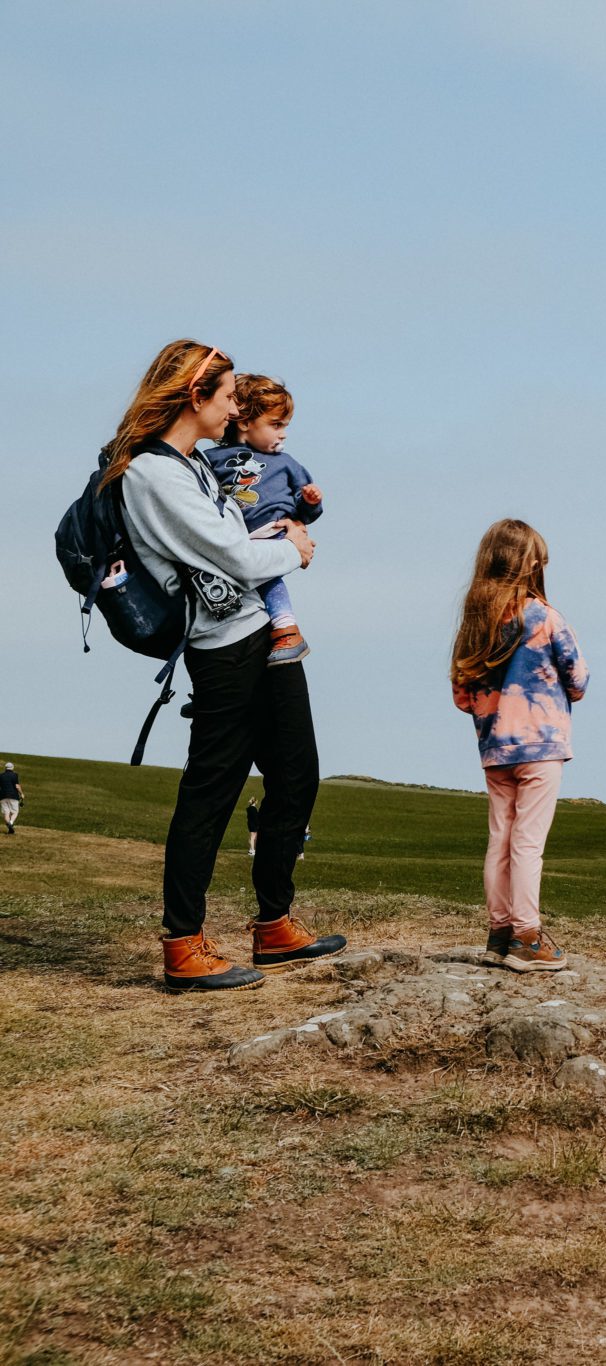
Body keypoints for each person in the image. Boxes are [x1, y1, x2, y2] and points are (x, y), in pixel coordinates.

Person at [105, 340, 346, 991]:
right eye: (231, 395)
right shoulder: (152, 476)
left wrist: (275, 536)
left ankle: (274, 923)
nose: (238, 406)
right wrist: (294, 549)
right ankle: (183, 943)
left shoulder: (193, 466)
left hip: (264, 634)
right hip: (222, 651)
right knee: (210, 795)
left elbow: (235, 543)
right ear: (197, 397)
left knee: (298, 774)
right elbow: (233, 561)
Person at [450, 519, 589, 972]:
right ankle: (528, 939)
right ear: (526, 562)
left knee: (501, 841)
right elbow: (579, 679)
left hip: (494, 748)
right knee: (529, 843)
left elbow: (461, 694)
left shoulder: (474, 621)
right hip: (541, 745)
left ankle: (500, 932)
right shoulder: (544, 616)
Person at [205, 375, 321, 665]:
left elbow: (304, 515)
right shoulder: (211, 459)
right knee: (224, 599)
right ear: (245, 423)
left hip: (272, 531)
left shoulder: (286, 464)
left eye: (285, 426)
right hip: (236, 539)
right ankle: (226, 667)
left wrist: (309, 502)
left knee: (268, 579)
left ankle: (287, 628)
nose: (283, 434)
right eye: (276, 425)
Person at [1, 761, 22, 835]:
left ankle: (9, 826)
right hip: (13, 796)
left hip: (3, 796)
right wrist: (21, 794)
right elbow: (17, 786)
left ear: (5, 768)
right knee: (15, 812)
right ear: (12, 768)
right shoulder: (15, 775)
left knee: (6, 813)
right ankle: (11, 823)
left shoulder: (1, 775)